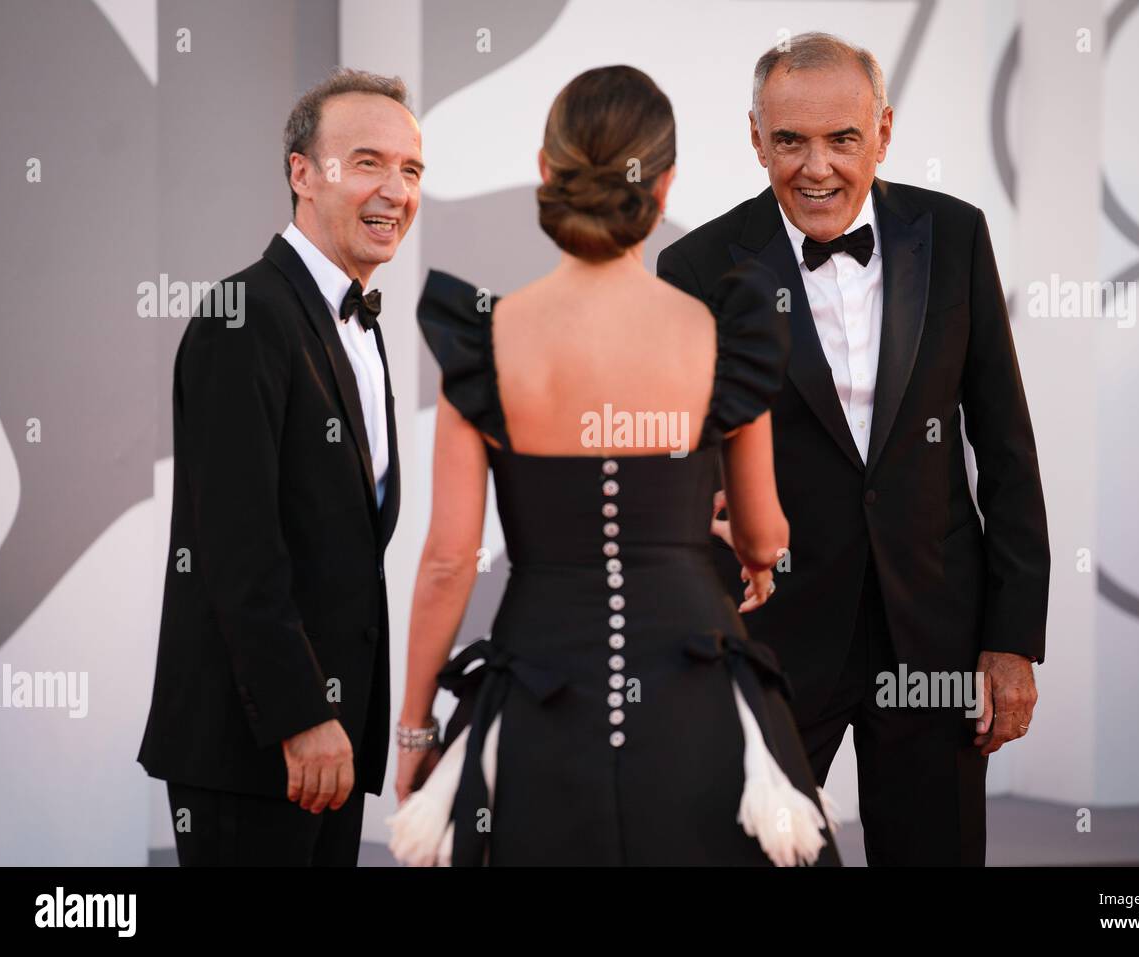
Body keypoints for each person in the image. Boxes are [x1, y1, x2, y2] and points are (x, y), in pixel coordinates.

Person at [387, 65, 839, 866]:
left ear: (545, 171)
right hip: (695, 693)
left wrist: (418, 727)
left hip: (539, 697)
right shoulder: (721, 332)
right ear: (664, 186)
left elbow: (449, 560)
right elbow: (765, 535)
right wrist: (725, 532)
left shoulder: (486, 339)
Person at [657, 32, 1051, 865]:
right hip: (772, 635)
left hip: (935, 627)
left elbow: (1006, 444)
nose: (817, 167)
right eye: (791, 140)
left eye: (842, 139)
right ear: (756, 138)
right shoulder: (695, 267)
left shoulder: (954, 235)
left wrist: (1012, 639)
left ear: (883, 131)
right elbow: (680, 476)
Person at [137, 68, 421, 865]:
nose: (394, 190)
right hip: (257, 746)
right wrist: (302, 715)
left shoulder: (354, 323)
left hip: (329, 746)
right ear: (302, 173)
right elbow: (236, 543)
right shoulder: (247, 315)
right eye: (367, 162)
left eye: (410, 169)